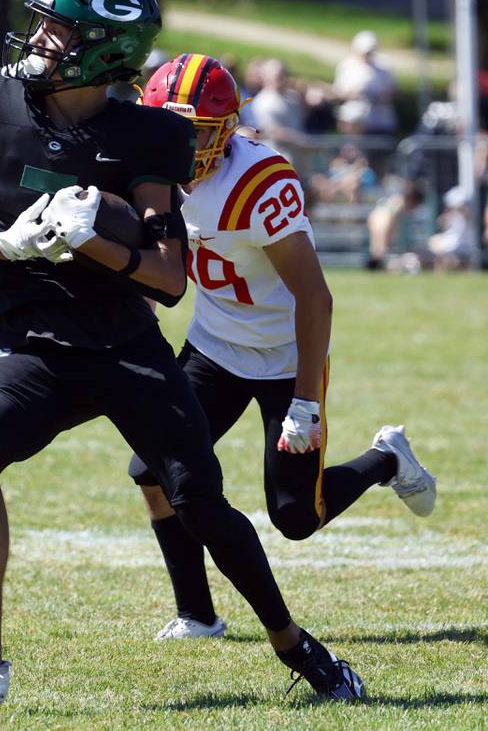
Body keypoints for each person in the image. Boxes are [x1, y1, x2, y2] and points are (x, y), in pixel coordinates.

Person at [0, 0, 365, 709]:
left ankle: (295, 645)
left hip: (127, 347)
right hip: (33, 337)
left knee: (199, 501)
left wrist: (87, 242)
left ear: (101, 48)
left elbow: (168, 279)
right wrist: (8, 243)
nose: (40, 38)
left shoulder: (151, 134)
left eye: (59, 28)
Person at [127, 54, 436, 642]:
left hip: (283, 356)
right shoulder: (145, 169)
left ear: (226, 129)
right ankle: (196, 612)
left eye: (197, 133)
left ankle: (387, 459)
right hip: (213, 347)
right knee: (151, 468)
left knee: (297, 517)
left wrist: (305, 403)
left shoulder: (258, 180)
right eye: (170, 128)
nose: (181, 146)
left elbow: (315, 298)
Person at [333, 31, 397, 136]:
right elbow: (339, 92)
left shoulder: (384, 65)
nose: (367, 55)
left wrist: (380, 96)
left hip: (380, 120)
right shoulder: (347, 65)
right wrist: (355, 94)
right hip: (355, 120)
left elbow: (393, 92)